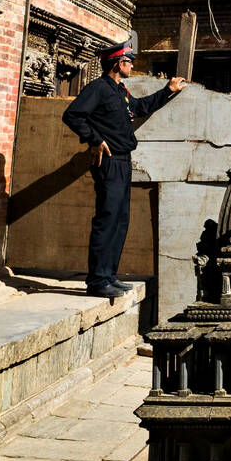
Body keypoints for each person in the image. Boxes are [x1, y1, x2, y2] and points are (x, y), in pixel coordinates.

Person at [62, 40, 186, 297]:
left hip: (123, 160)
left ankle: (109, 275)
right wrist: (94, 139)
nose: (131, 65)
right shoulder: (98, 88)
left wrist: (168, 90)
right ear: (119, 64)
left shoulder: (120, 91)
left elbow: (140, 108)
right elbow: (72, 115)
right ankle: (97, 281)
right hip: (108, 161)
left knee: (120, 220)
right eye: (129, 61)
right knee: (107, 219)